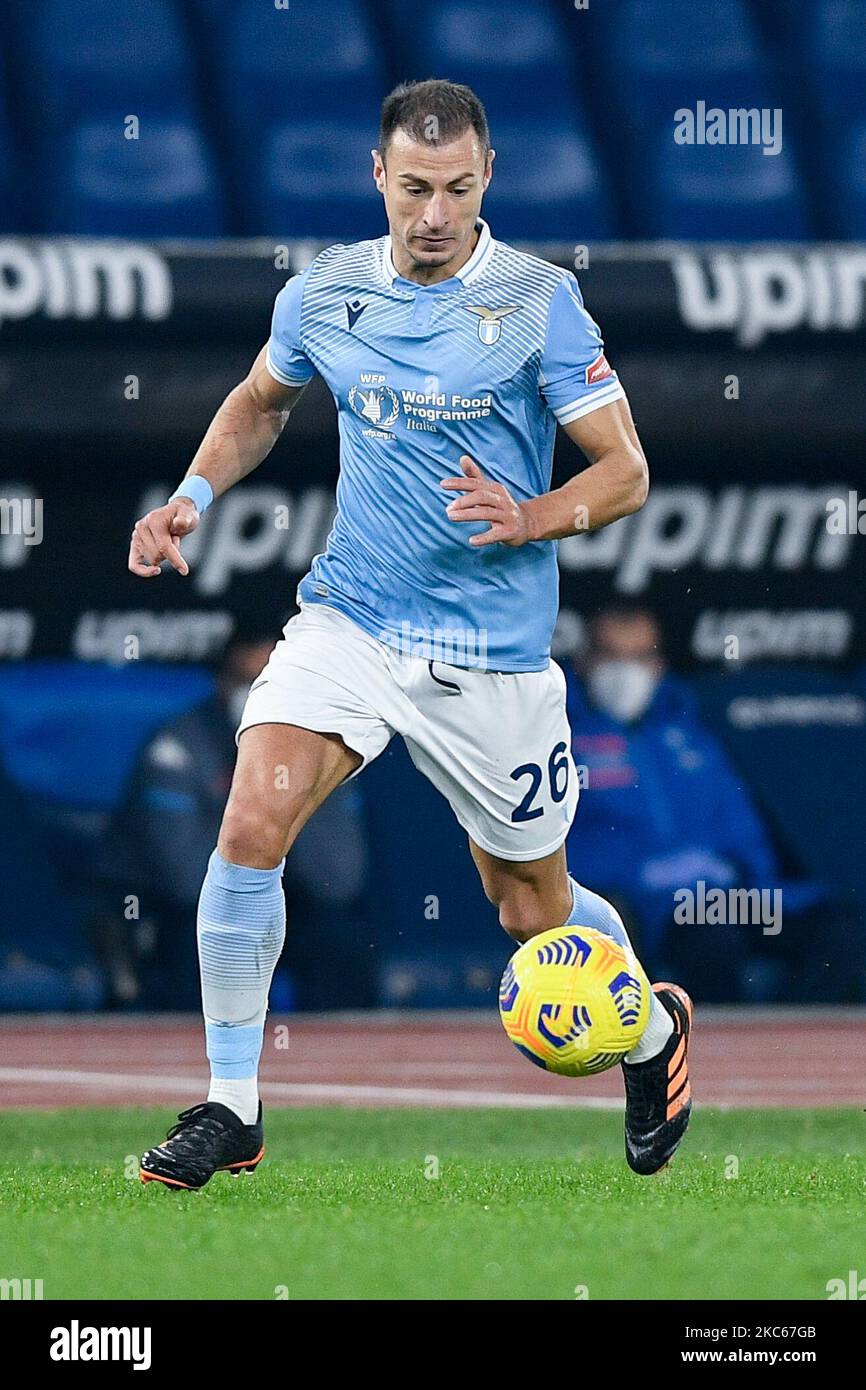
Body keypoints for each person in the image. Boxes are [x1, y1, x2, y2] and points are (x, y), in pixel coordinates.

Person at [128, 80, 691, 1189]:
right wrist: (192, 490)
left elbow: (624, 471)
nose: (434, 213)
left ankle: (654, 1033)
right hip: (351, 619)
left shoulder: (540, 302)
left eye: (458, 188)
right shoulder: (326, 289)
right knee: (251, 819)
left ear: (487, 180)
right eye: (415, 188)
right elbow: (259, 401)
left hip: (490, 659)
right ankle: (232, 1104)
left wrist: (532, 515)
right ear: (377, 176)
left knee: (529, 907)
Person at [564, 604, 837, 1001]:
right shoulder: (562, 735)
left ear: (658, 664)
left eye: (640, 656)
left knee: (839, 931)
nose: (627, 671)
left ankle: (795, 1052)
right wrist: (635, 879)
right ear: (585, 660)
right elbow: (556, 845)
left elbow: (739, 822)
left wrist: (748, 875)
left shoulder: (688, 731)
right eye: (612, 655)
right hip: (647, 908)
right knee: (713, 941)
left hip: (731, 895)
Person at [95, 627, 370, 1008]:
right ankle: (193, 1060)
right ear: (222, 684)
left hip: (278, 899)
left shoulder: (324, 745)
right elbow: (186, 880)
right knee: (199, 936)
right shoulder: (178, 747)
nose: (259, 695)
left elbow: (340, 880)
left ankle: (337, 1062)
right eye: (248, 683)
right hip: (183, 905)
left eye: (273, 683)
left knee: (339, 938)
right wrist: (252, 779)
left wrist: (287, 782)